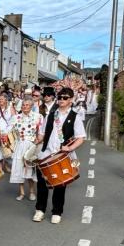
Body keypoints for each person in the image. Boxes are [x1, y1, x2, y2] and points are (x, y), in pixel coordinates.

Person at [31, 87, 86, 224]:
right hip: (46, 153)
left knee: (60, 184)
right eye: (60, 97)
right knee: (42, 184)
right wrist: (37, 139)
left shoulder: (75, 117)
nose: (62, 100)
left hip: (62, 155)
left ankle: (57, 211)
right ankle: (40, 210)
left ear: (71, 100)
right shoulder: (51, 114)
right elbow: (43, 133)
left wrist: (70, 148)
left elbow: (80, 137)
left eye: (65, 98)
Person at [9, 97, 42, 200]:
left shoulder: (38, 117)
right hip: (19, 145)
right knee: (19, 169)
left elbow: (41, 132)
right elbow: (9, 131)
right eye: (23, 105)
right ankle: (22, 192)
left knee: (30, 169)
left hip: (32, 145)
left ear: (32, 106)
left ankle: (32, 192)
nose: (25, 107)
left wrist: (36, 143)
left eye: (27, 105)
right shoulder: (16, 117)